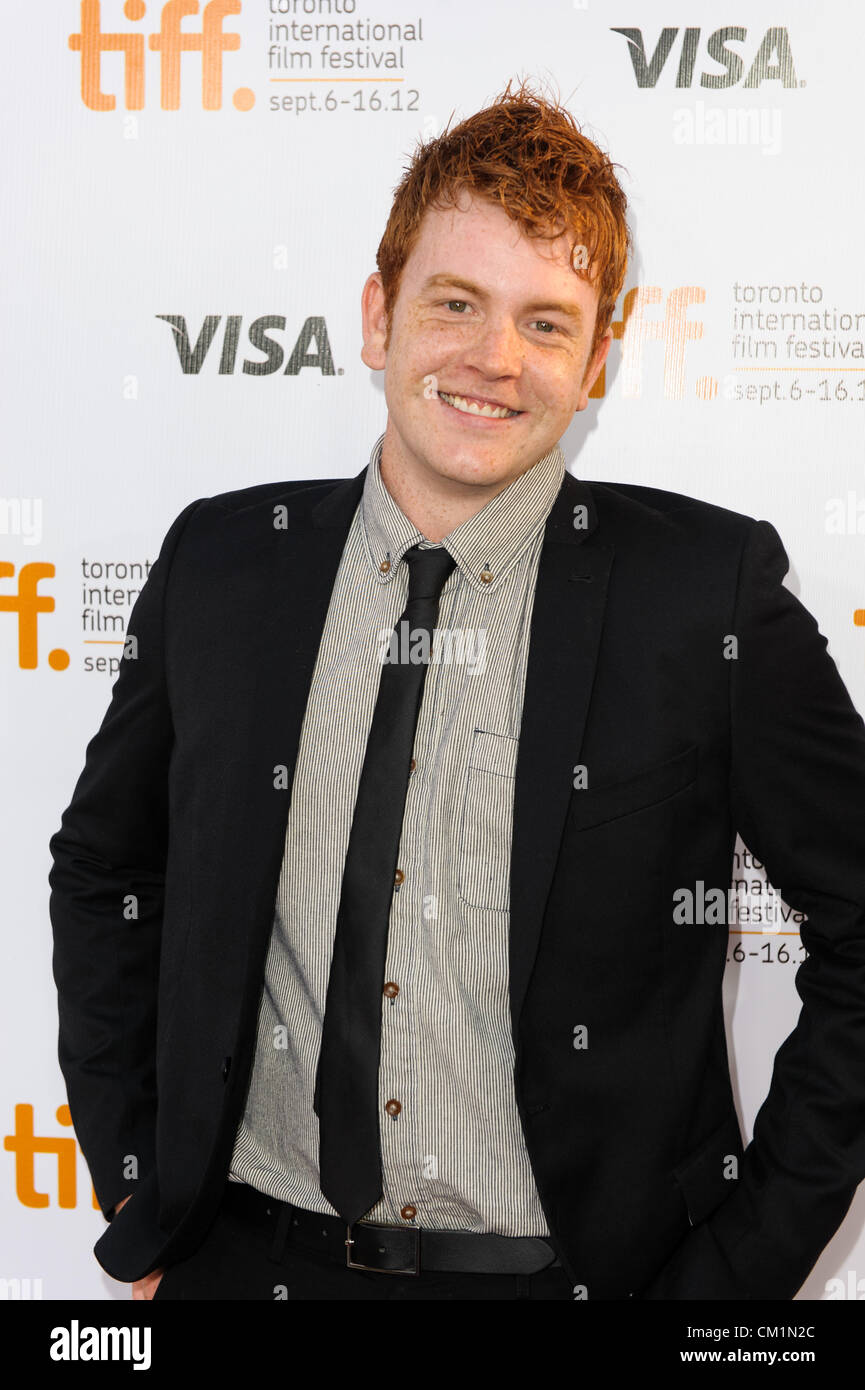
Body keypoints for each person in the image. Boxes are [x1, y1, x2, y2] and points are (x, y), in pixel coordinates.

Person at [49, 78, 865, 1302]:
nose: (495, 359)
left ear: (597, 359)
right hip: (245, 1263)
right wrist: (137, 1194)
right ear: (377, 317)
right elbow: (108, 874)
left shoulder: (705, 595)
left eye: (547, 322)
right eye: (456, 302)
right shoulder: (223, 566)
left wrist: (734, 1279)